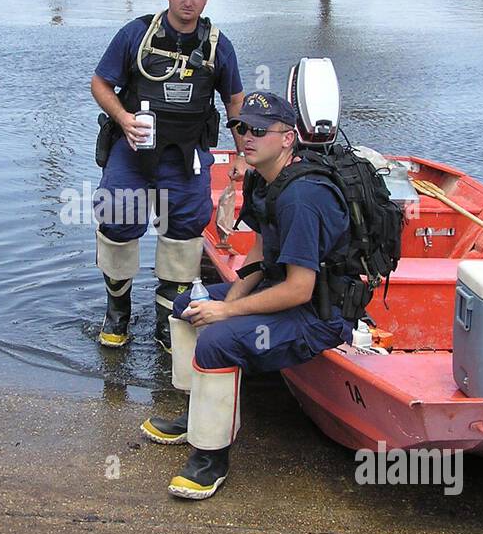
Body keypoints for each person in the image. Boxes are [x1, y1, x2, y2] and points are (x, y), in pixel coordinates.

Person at [141, 92, 352, 500]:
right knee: (187, 304)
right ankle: (197, 412)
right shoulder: (263, 176)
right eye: (240, 128)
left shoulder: (302, 198)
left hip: (319, 315)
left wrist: (229, 313)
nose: (246, 138)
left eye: (258, 130)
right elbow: (258, 252)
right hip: (282, 292)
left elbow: (299, 288)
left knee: (220, 339)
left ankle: (210, 458)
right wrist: (223, 303)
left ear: (288, 138)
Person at [90, 0, 245, 352]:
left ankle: (166, 321)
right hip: (134, 150)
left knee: (185, 234)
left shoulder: (217, 45)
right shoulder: (136, 34)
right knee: (117, 221)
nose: (188, 1)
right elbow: (100, 82)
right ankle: (118, 313)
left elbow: (235, 103)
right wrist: (123, 118)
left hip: (187, 157)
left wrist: (243, 158)